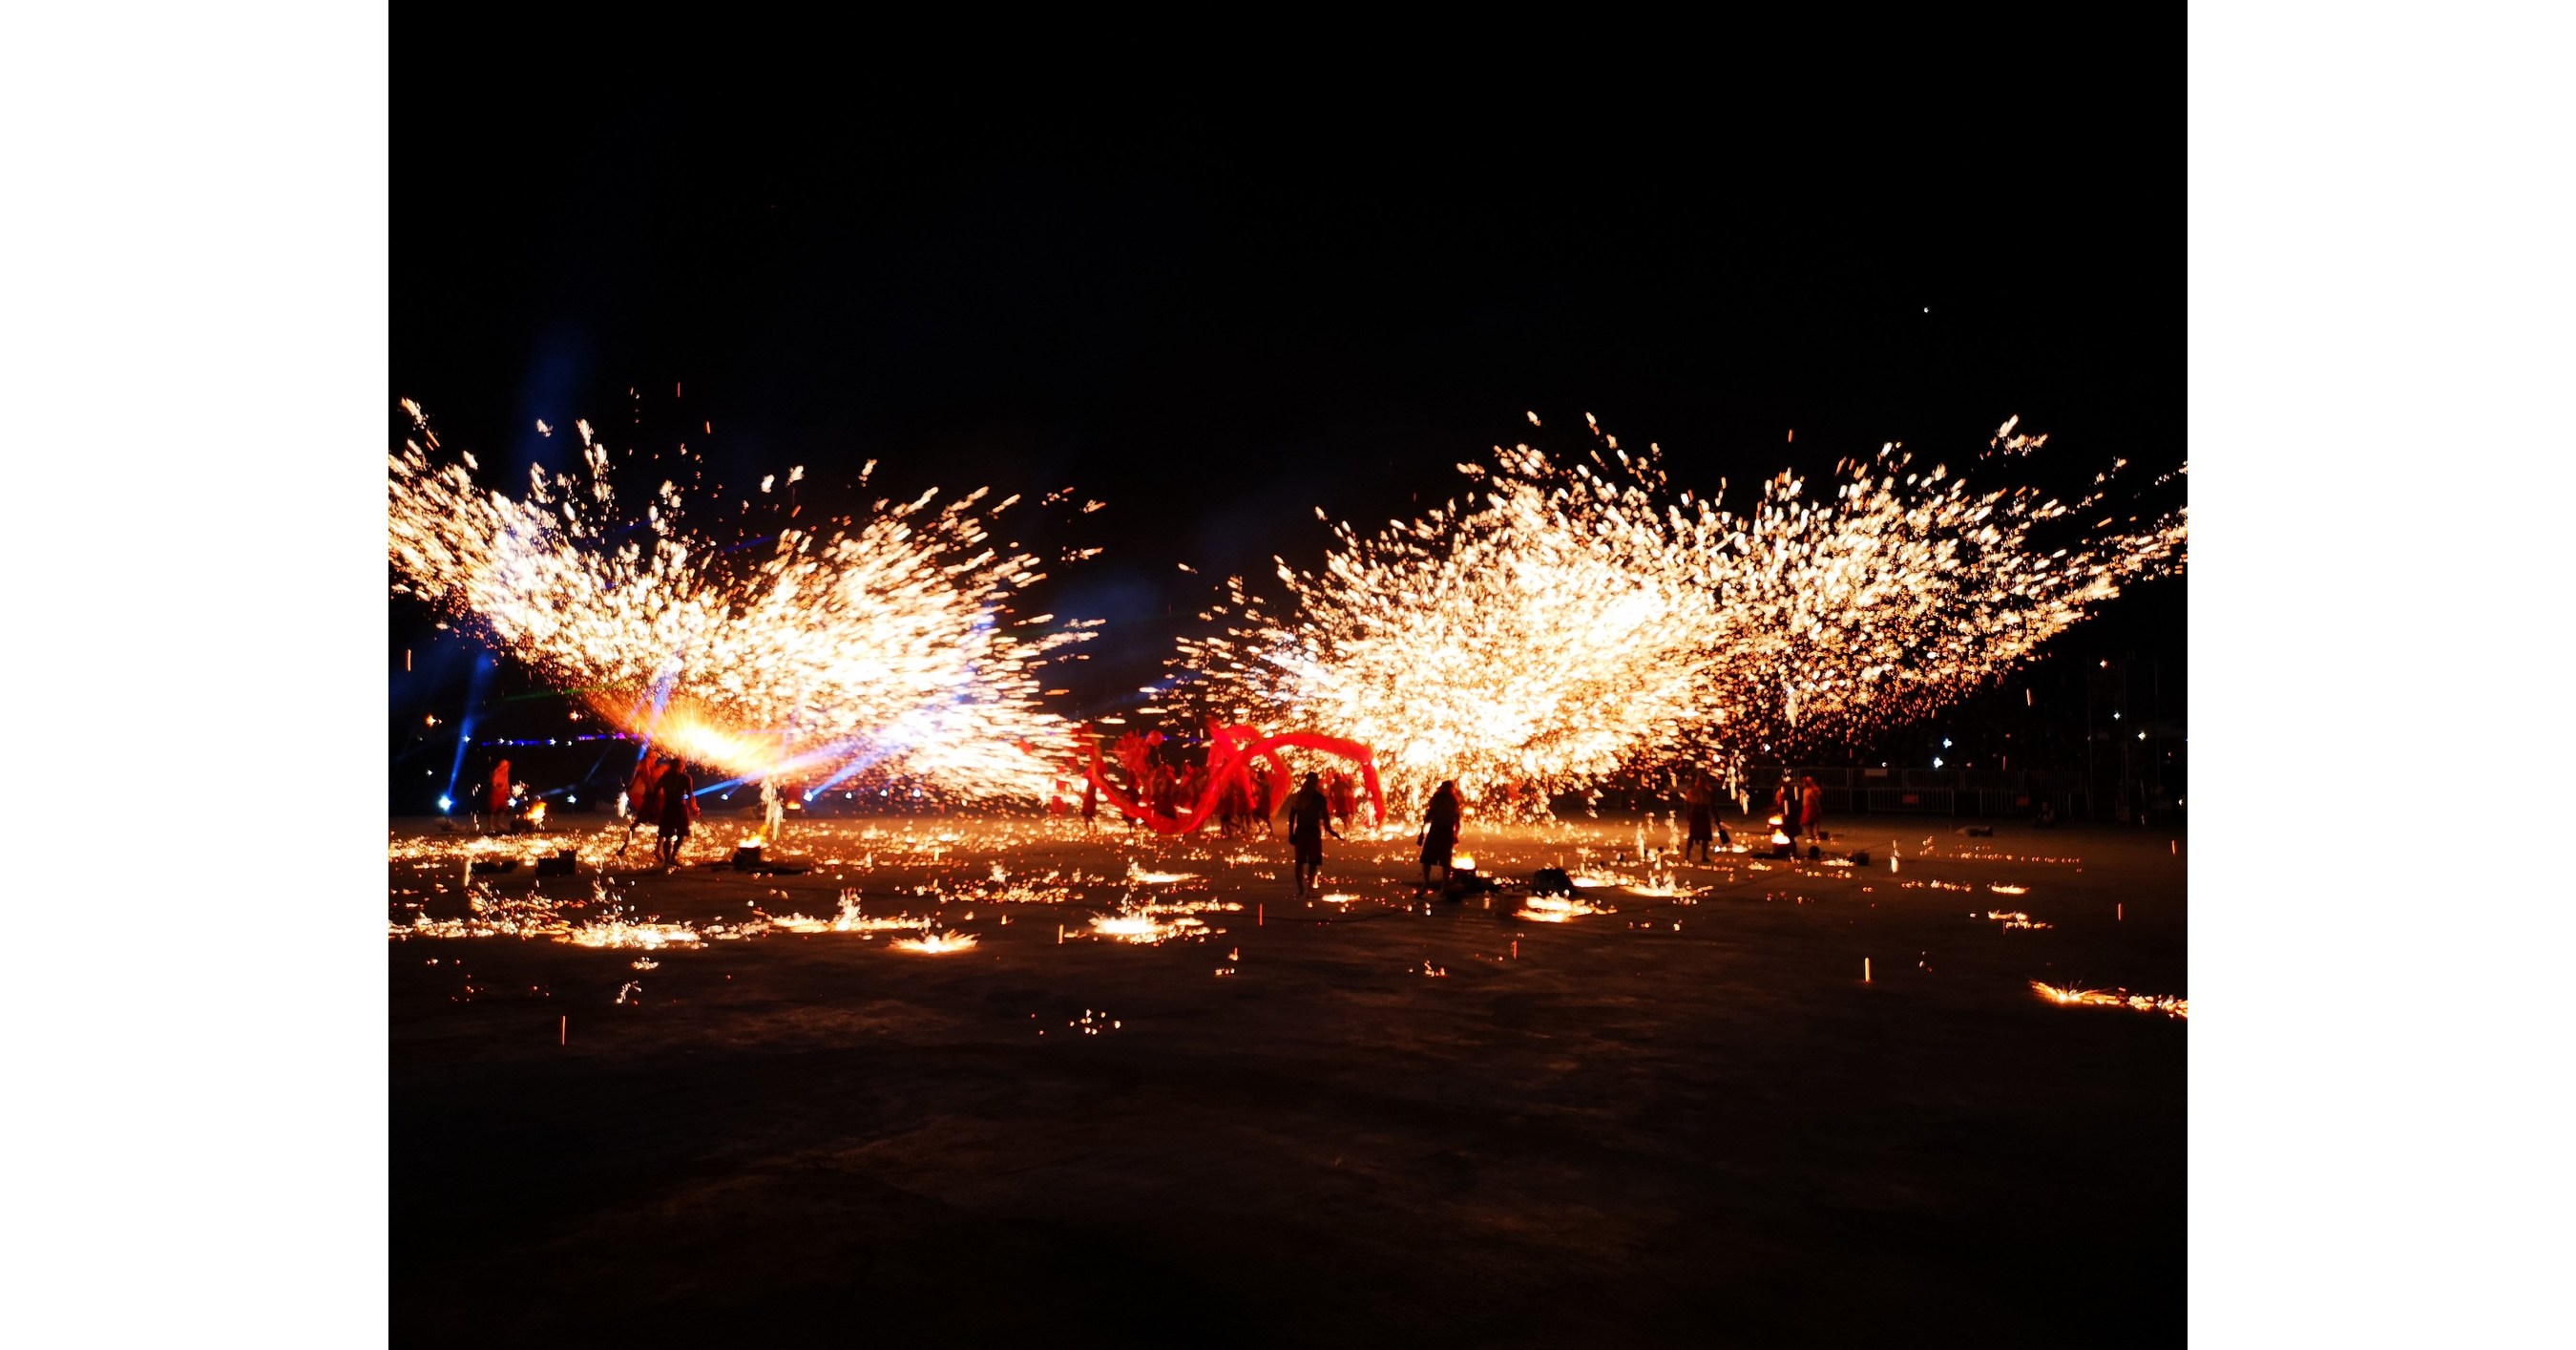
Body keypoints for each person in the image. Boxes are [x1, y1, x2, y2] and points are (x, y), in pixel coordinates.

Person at [1287, 771, 1340, 897]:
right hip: (1304, 831)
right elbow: (1292, 816)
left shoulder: (1318, 798)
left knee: (1312, 862)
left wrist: (1330, 829)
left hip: (1312, 831)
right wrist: (1291, 833)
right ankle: (1302, 888)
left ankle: (1309, 887)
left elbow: (1325, 816)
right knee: (1301, 862)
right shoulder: (1300, 797)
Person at [1418, 780, 1462, 887]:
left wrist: (1456, 835)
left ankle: (1443, 885)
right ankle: (1428, 883)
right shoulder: (1441, 799)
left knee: (1444, 860)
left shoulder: (1451, 801)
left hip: (1444, 831)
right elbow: (1429, 815)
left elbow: (1456, 820)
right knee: (1429, 859)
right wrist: (1421, 833)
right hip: (1438, 830)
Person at [656, 759, 698, 868]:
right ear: (681, 766)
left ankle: (667, 860)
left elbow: (656, 790)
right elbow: (690, 795)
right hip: (679, 807)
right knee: (681, 833)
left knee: (667, 834)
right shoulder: (685, 778)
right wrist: (694, 808)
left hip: (668, 807)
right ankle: (672, 857)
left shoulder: (665, 776)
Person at [1682, 770, 1716, 863]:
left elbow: (1687, 804)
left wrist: (1688, 814)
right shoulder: (1695, 792)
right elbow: (1687, 804)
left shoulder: (1700, 792)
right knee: (1696, 836)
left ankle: (1689, 856)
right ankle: (1695, 856)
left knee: (1698, 836)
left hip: (1698, 814)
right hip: (1699, 814)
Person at [1799, 774, 1825, 848]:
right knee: (1806, 823)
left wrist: (1819, 807)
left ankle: (1816, 834)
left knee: (1813, 821)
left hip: (1811, 807)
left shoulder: (1811, 790)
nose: (1803, 784)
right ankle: (1811, 835)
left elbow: (1816, 799)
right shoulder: (1805, 790)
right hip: (1806, 807)